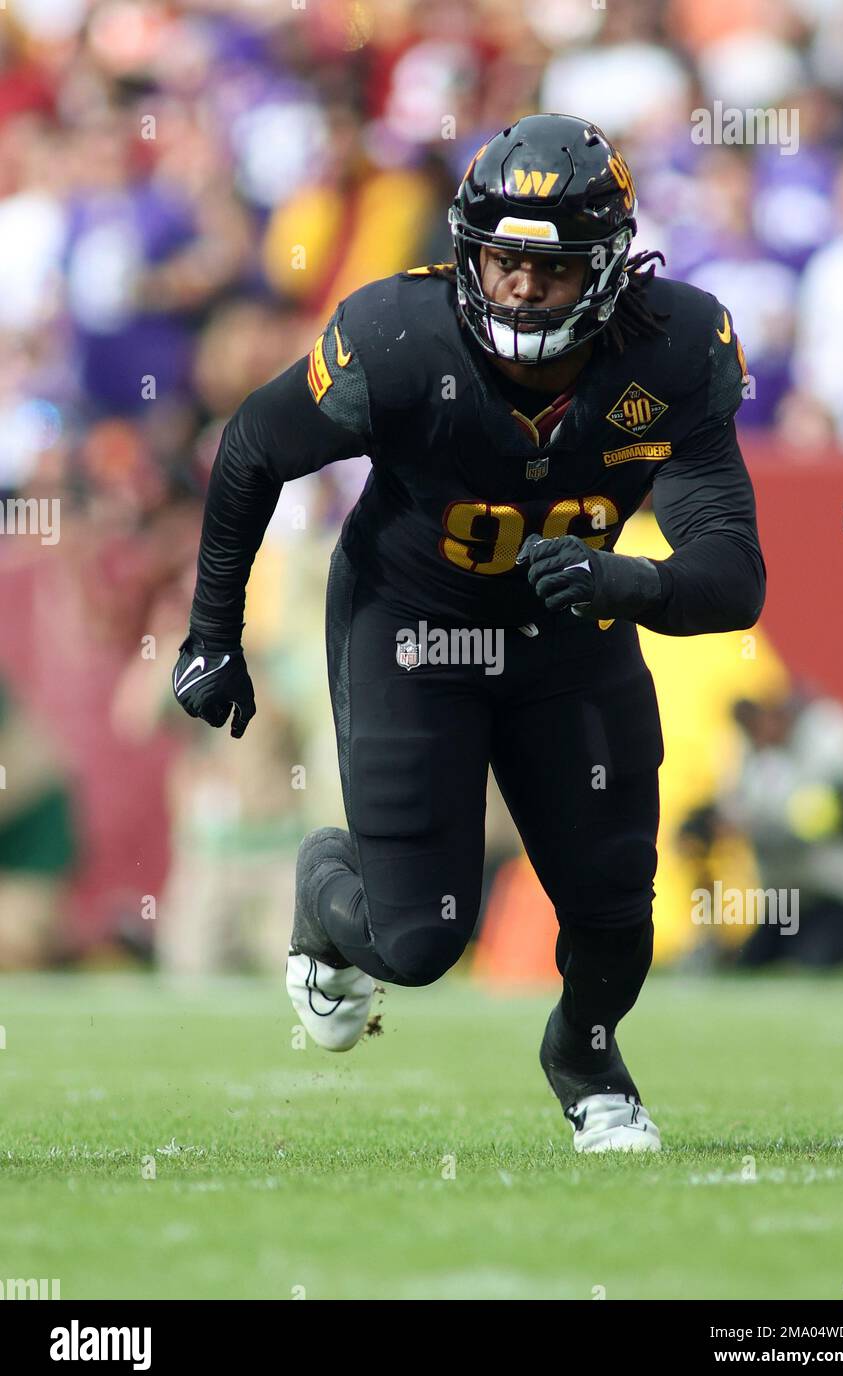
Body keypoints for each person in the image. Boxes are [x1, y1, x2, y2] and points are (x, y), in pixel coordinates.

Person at [173, 114, 765, 1153]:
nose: (520, 289)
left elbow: (732, 576)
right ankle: (326, 893)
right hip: (413, 627)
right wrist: (210, 628)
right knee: (416, 938)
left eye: (549, 267)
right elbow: (253, 448)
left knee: (613, 896)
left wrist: (615, 579)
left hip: (568, 635)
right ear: (465, 249)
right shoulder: (396, 342)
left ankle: (585, 1061)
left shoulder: (672, 351)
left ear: (609, 267)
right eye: (500, 261)